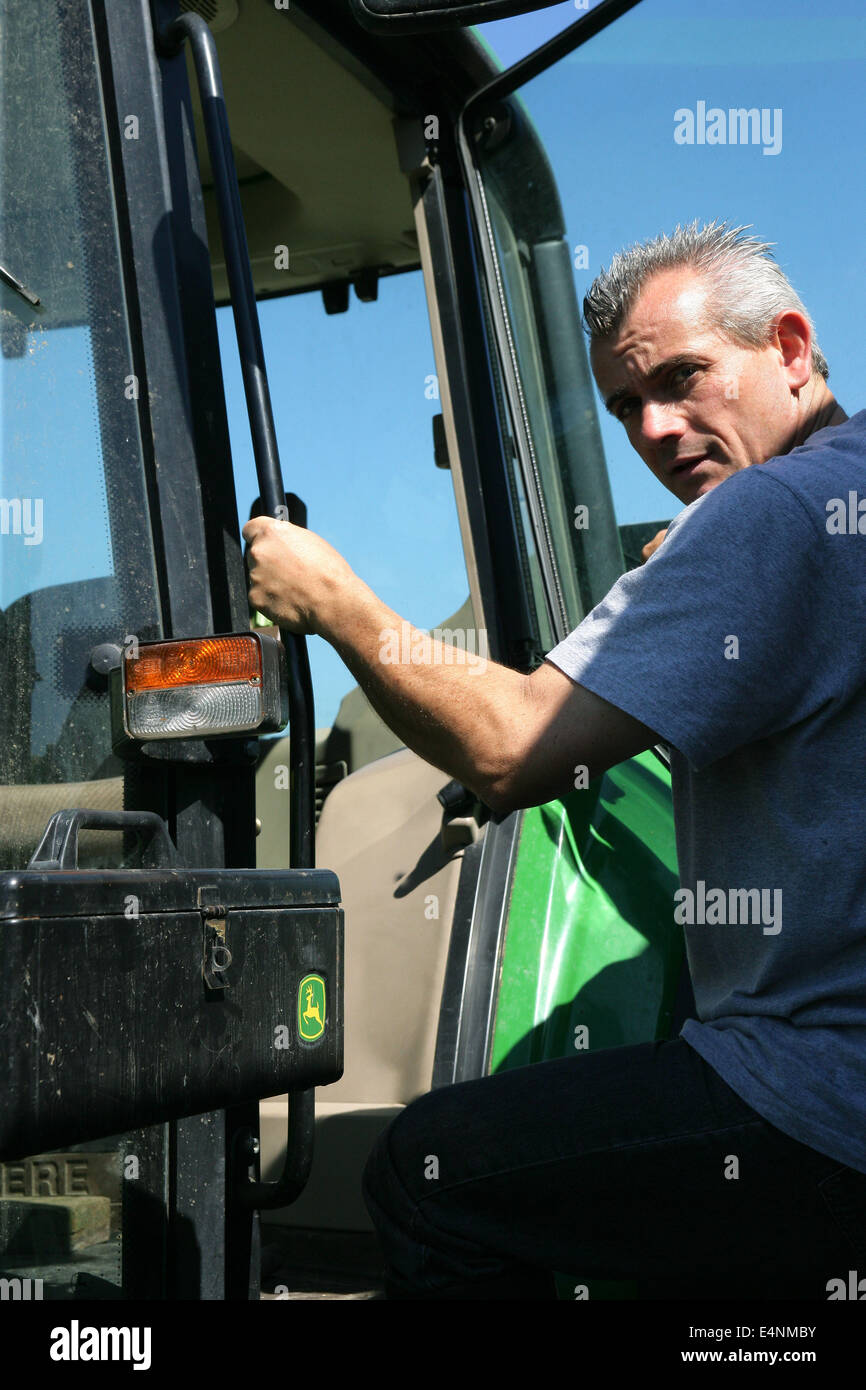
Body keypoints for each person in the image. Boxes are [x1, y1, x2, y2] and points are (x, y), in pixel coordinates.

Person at [243, 221, 866, 1300]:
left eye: (683, 379)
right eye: (625, 406)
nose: (657, 430)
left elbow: (511, 745)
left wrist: (335, 604)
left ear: (791, 347)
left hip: (815, 1096)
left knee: (426, 1173)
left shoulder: (767, 516)